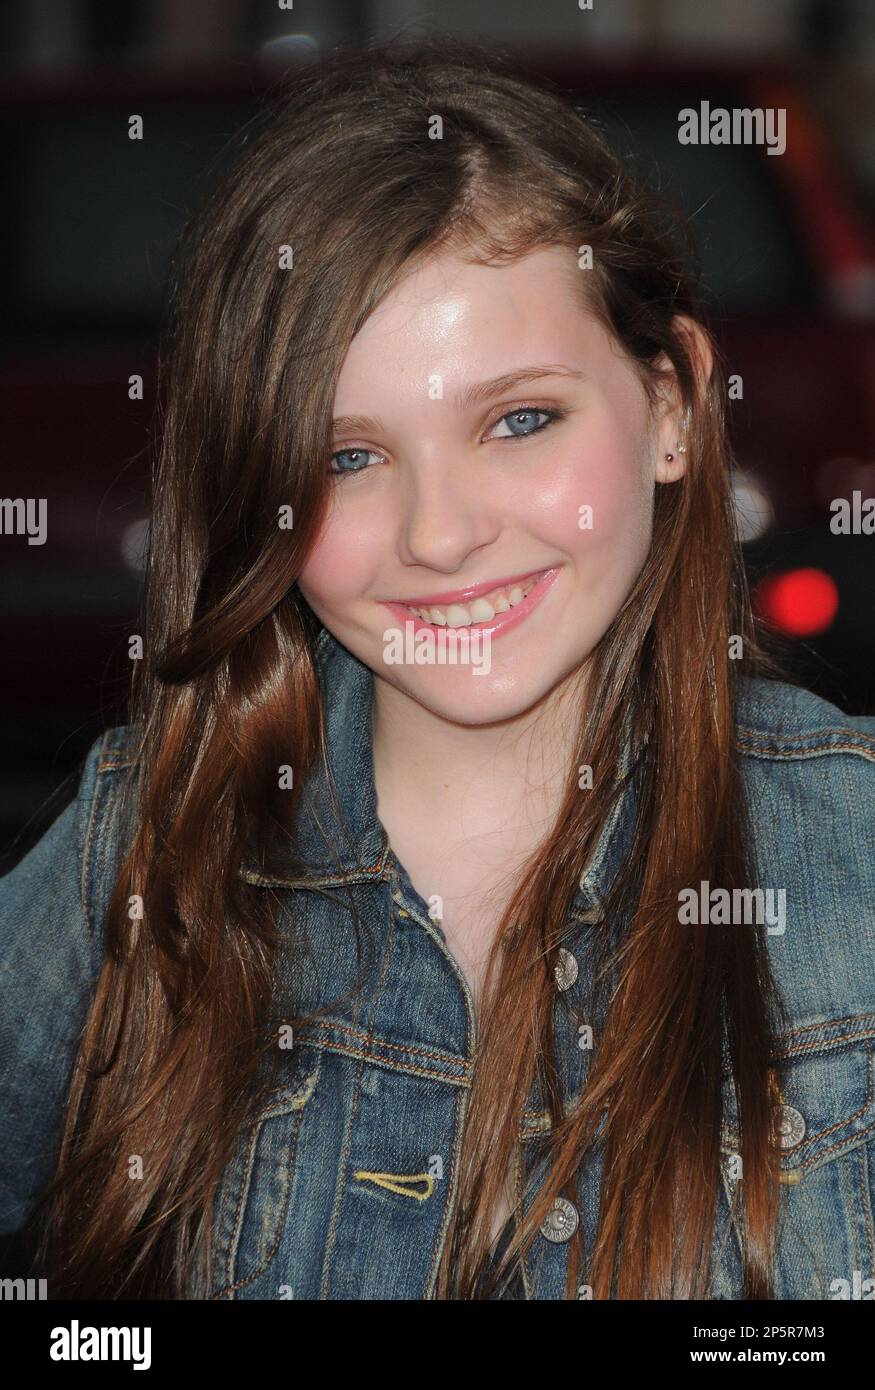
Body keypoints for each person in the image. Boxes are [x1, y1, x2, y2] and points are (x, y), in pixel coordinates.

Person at [1, 36, 873, 1302]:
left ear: (673, 401)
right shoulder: (143, 844)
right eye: (345, 456)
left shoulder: (851, 846)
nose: (439, 533)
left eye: (518, 420)